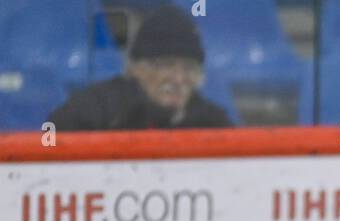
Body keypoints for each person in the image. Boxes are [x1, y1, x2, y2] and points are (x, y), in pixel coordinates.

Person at [49, 5, 231, 131]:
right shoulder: (97, 109)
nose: (178, 79)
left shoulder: (212, 121)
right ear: (136, 69)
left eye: (189, 68)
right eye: (166, 65)